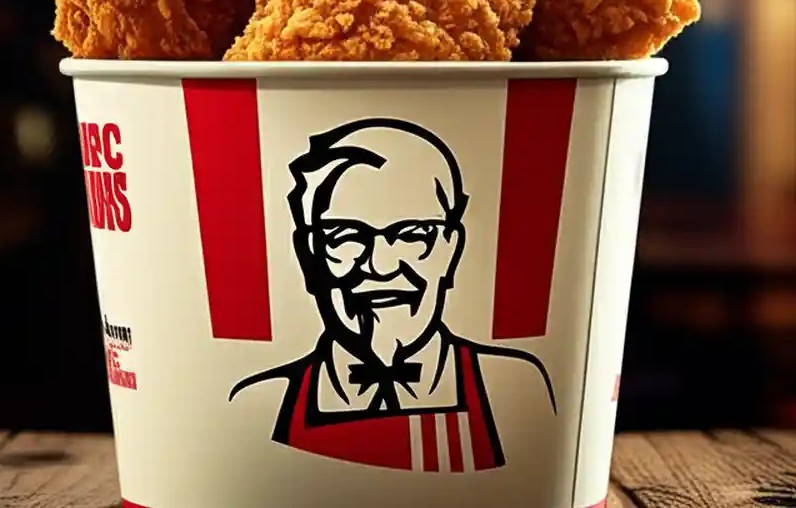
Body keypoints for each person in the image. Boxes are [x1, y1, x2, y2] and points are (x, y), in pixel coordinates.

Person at [231, 118, 554, 472]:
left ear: (450, 249)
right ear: (309, 256)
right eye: (345, 235)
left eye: (414, 233)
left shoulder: (511, 385)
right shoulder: (262, 400)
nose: (381, 266)